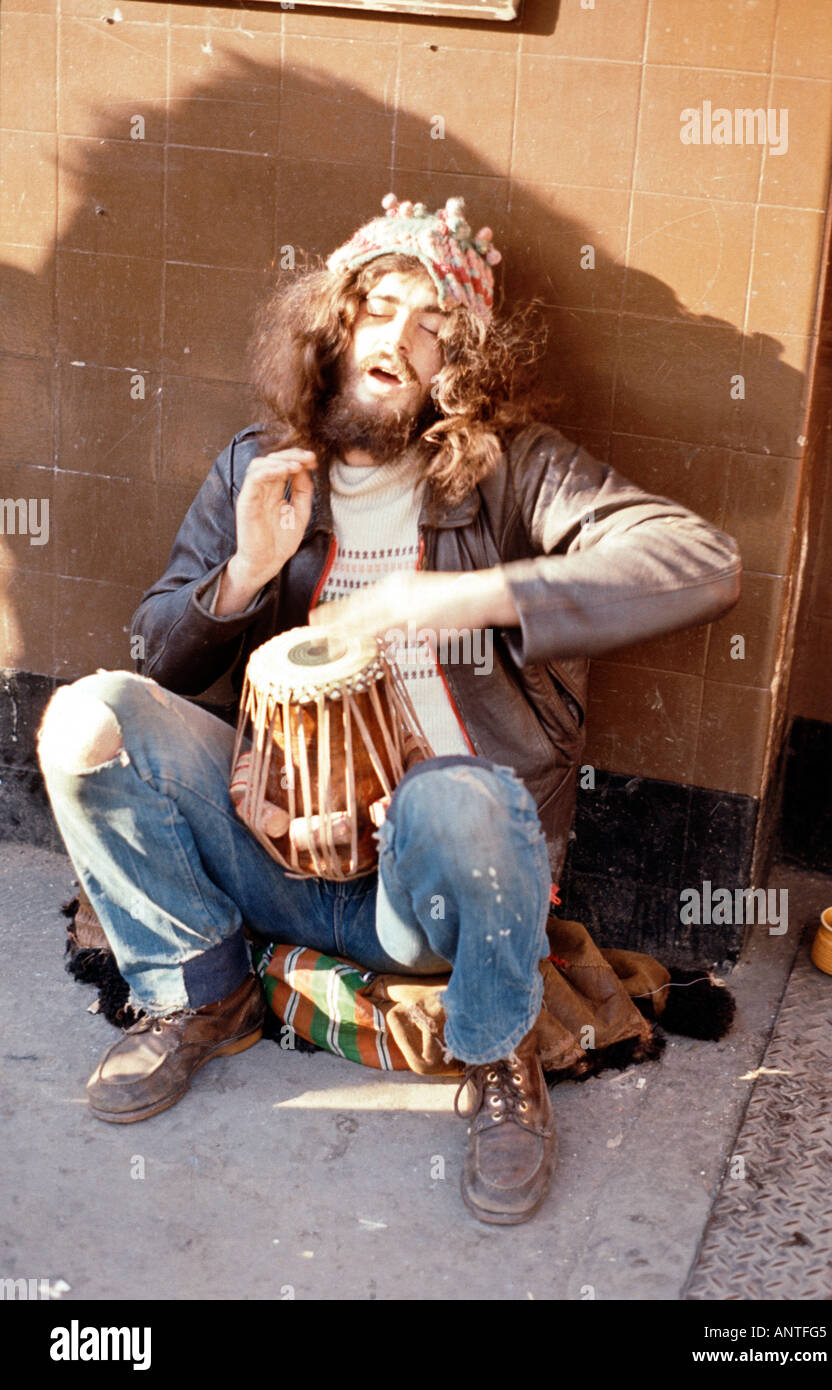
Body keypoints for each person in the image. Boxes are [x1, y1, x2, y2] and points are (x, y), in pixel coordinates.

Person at [38, 194, 742, 1225]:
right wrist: (242, 572)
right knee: (84, 721)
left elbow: (702, 562)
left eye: (435, 325)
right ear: (336, 321)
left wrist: (460, 597)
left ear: (460, 364)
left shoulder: (513, 473)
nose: (401, 338)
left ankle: (501, 1053)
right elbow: (152, 653)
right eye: (380, 306)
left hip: (428, 895)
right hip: (270, 855)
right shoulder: (258, 467)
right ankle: (198, 994)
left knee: (460, 798)